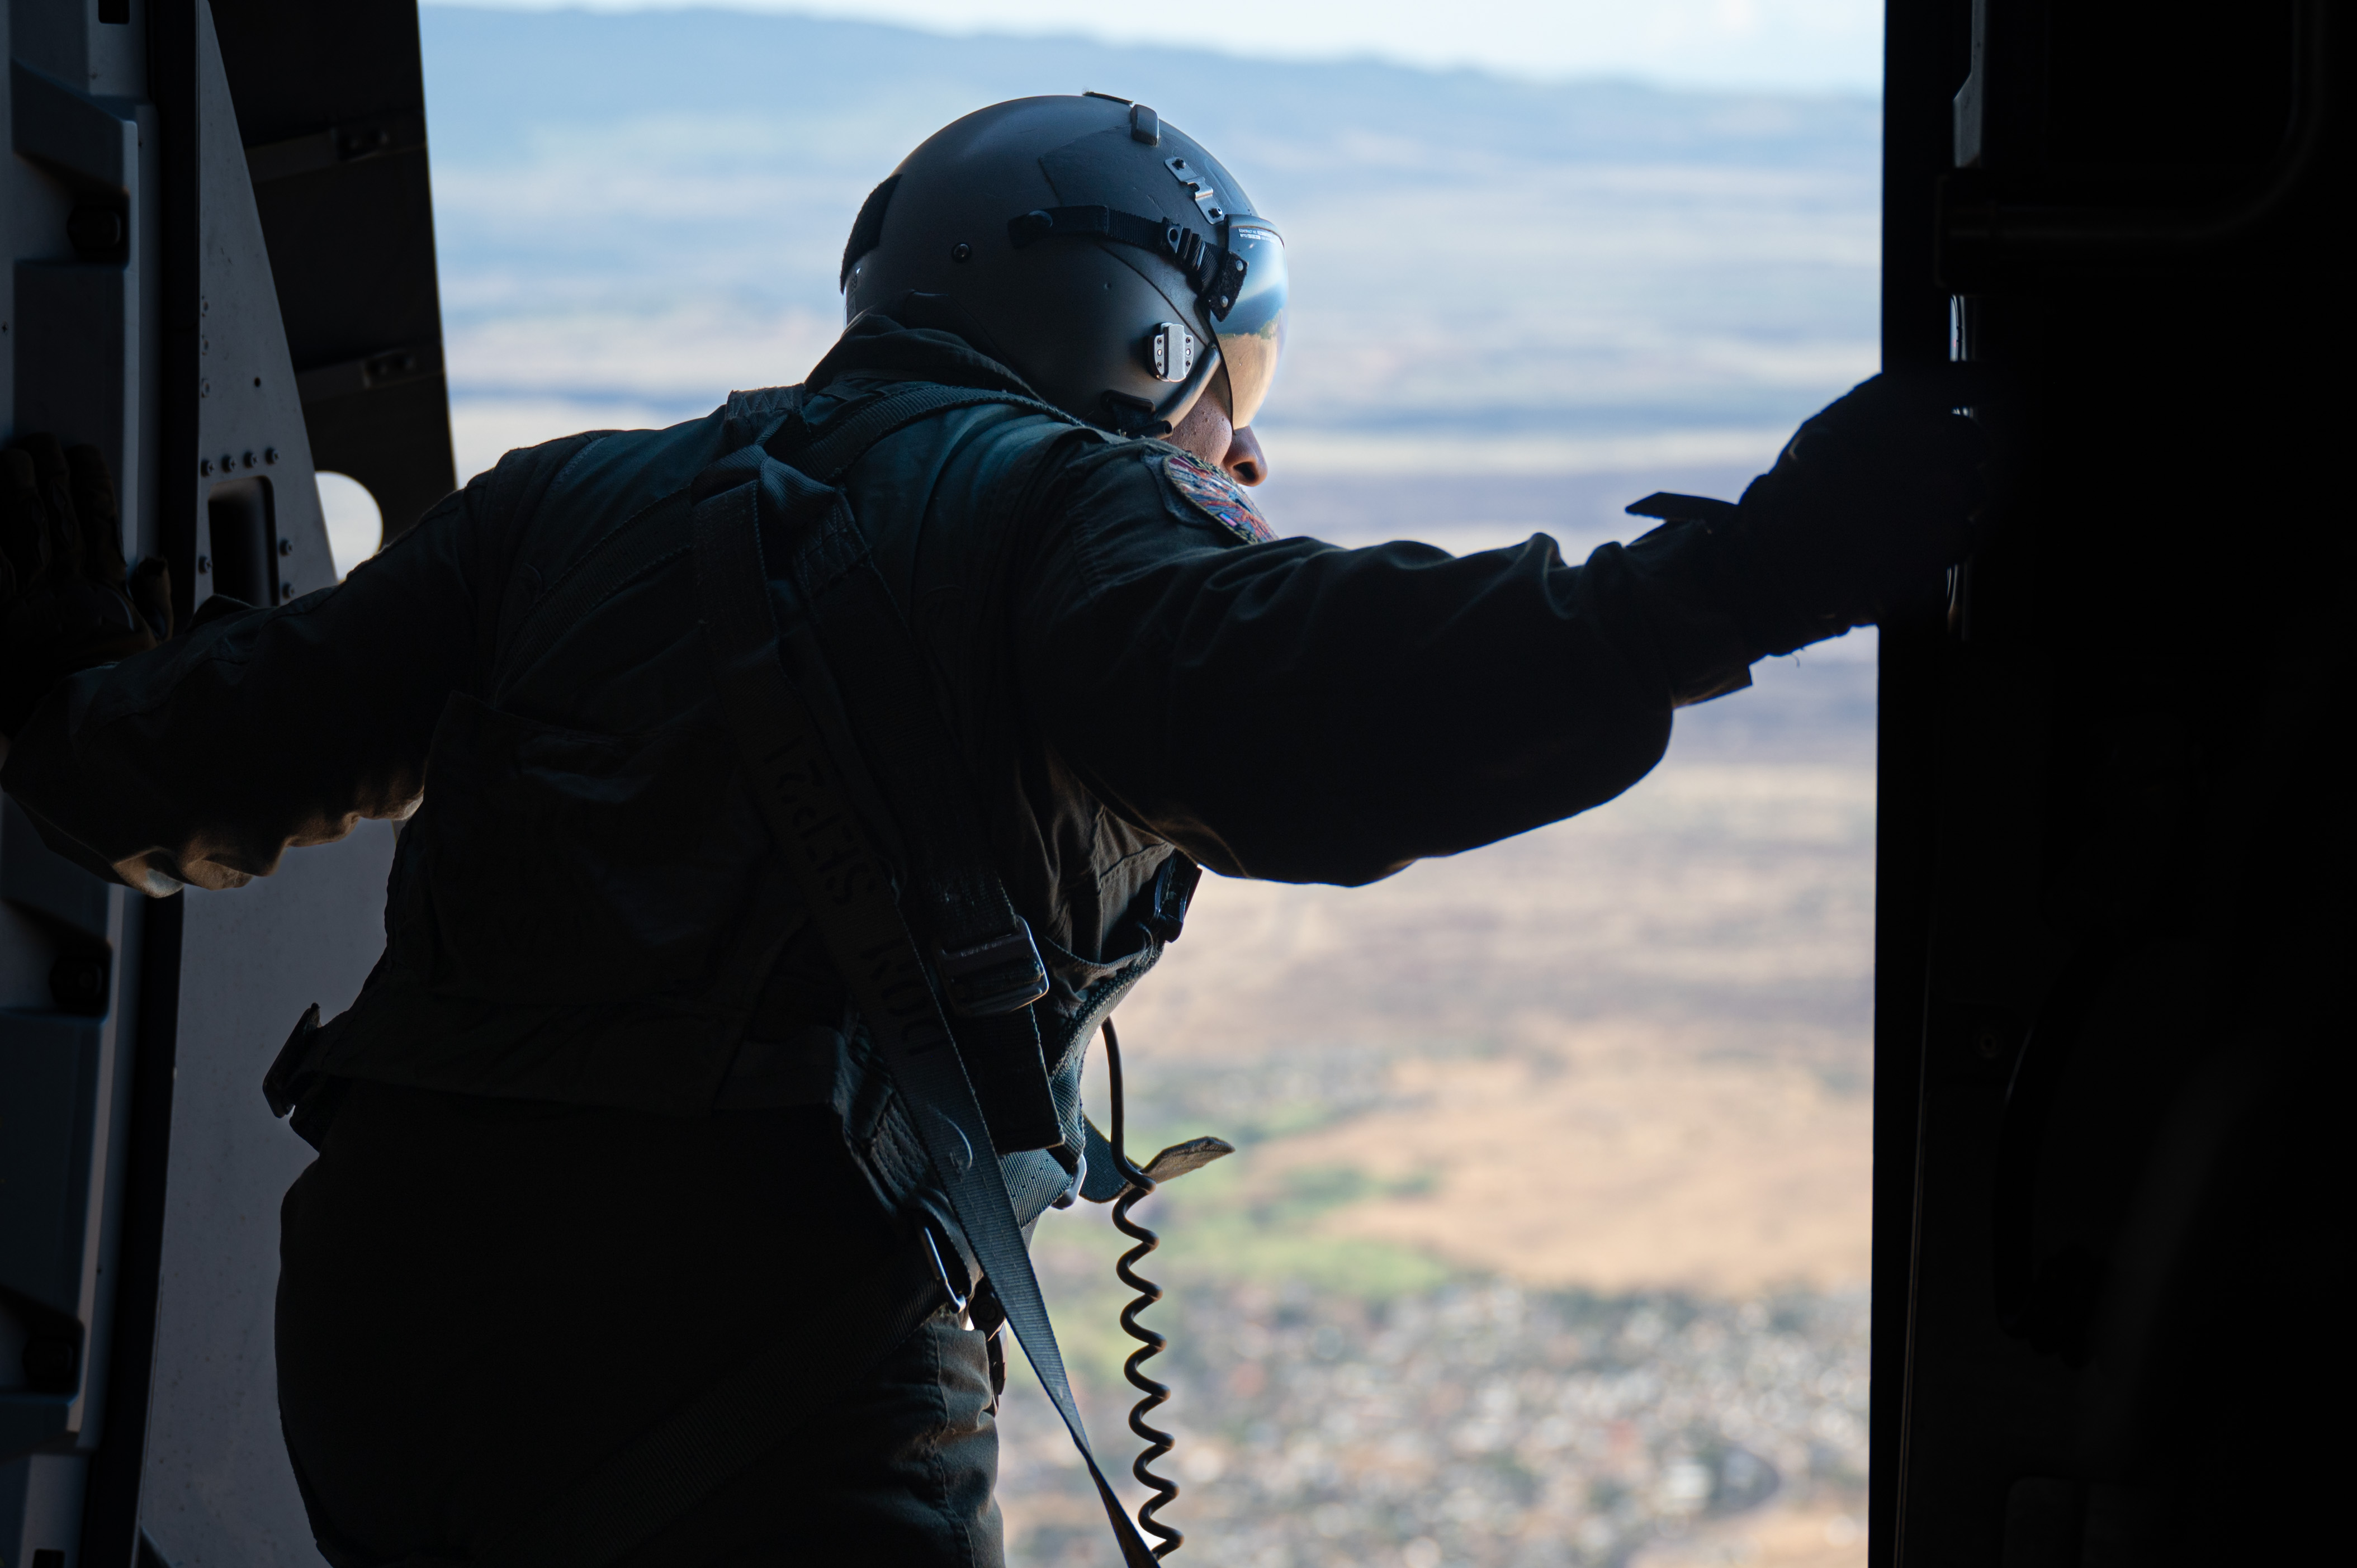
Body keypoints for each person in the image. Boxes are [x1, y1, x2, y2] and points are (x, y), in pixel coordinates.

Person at [0, 94, 1984, 1568]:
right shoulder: (1052, 507)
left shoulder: (561, 501)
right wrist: (1723, 593)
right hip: (750, 1357)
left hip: (390, 1348)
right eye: (1228, 383)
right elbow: (1312, 698)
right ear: (1135, 334)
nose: (1244, 442)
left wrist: (76, 675)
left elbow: (167, 774)